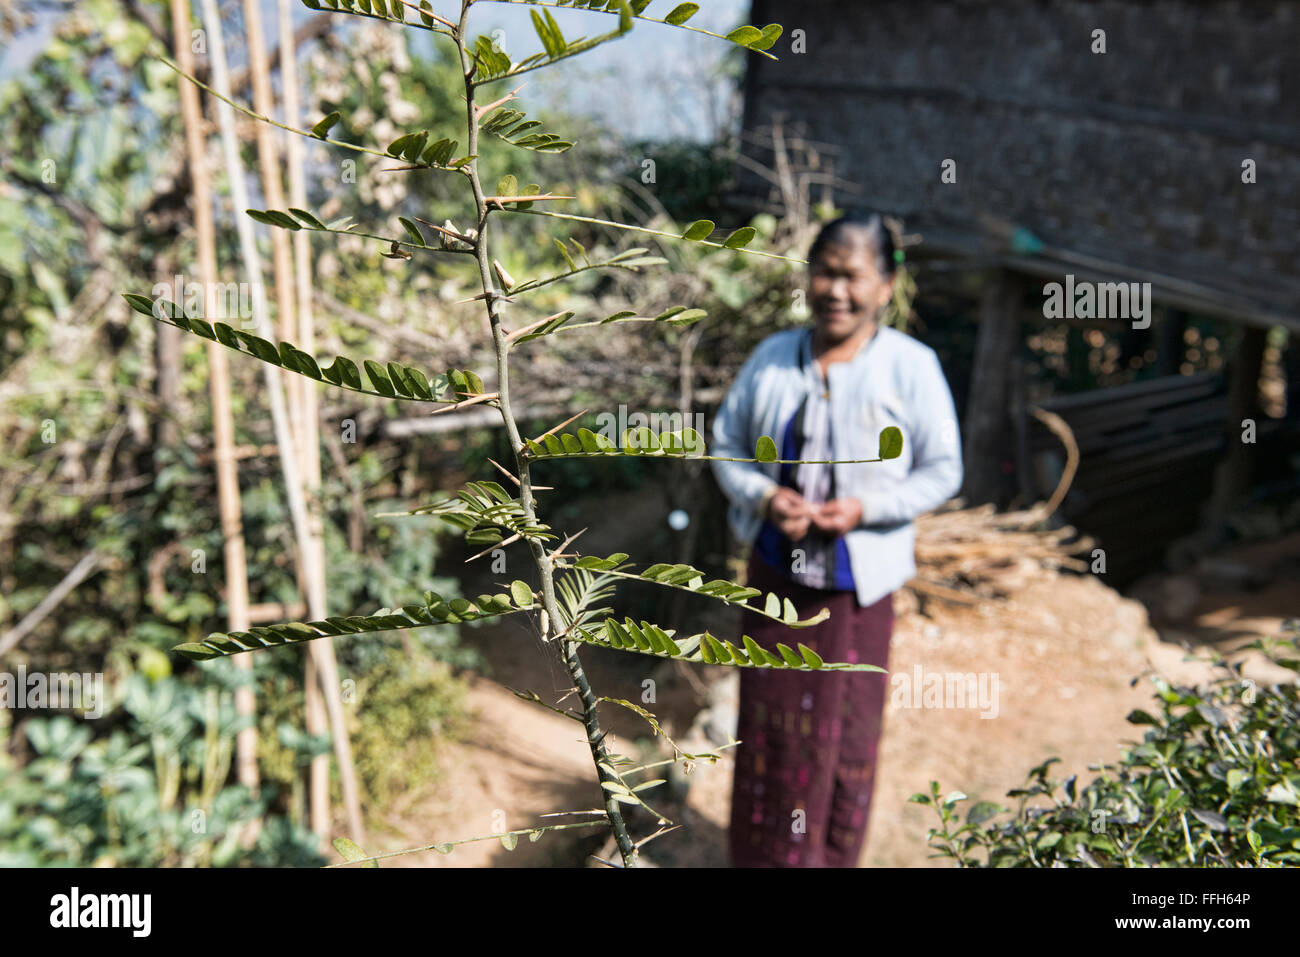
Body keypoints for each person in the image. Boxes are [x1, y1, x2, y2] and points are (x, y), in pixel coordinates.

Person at [710, 212, 963, 867]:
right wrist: (766, 496)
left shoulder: (912, 367)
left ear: (886, 284)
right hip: (774, 586)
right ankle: (764, 855)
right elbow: (726, 447)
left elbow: (944, 469)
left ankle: (826, 855)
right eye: (825, 272)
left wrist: (865, 508)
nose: (836, 290)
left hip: (857, 595)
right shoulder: (772, 357)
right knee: (769, 729)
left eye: (853, 275)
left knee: (844, 735)